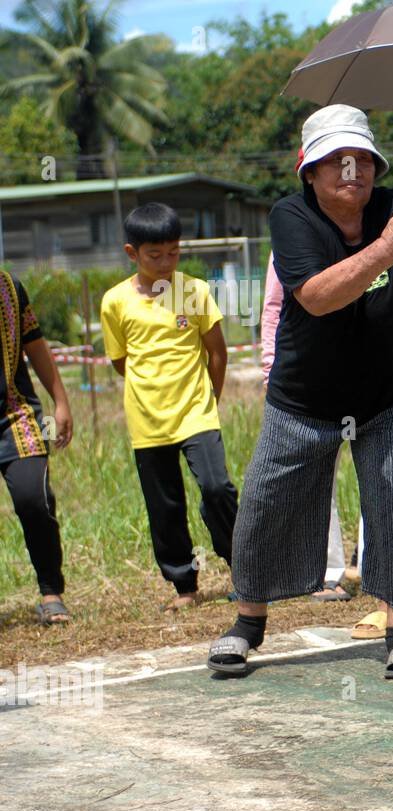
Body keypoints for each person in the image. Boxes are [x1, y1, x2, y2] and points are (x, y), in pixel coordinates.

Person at [207, 104, 393, 680]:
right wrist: (391, 245)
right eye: (337, 159)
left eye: (361, 158)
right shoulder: (291, 216)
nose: (351, 170)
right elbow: (316, 295)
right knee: (265, 499)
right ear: (309, 170)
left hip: (391, 391)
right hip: (306, 395)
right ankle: (248, 622)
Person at [101, 202, 239, 611]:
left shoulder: (194, 291)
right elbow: (120, 361)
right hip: (147, 421)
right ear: (132, 254)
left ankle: (243, 569)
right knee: (165, 505)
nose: (165, 263)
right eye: (154, 255)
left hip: (197, 413)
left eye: (174, 253)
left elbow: (217, 353)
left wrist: (210, 398)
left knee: (217, 487)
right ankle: (185, 585)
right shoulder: (115, 302)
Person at [259, 251, 353, 605]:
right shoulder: (293, 230)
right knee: (315, 474)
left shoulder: (378, 225)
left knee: (382, 471)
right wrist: (271, 368)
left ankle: (377, 566)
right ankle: (326, 573)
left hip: (373, 370)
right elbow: (273, 306)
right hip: (310, 375)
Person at [0, 268, 73, 624]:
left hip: (17, 414)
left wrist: (60, 401)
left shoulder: (9, 287)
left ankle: (51, 592)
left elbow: (35, 343)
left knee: (35, 498)